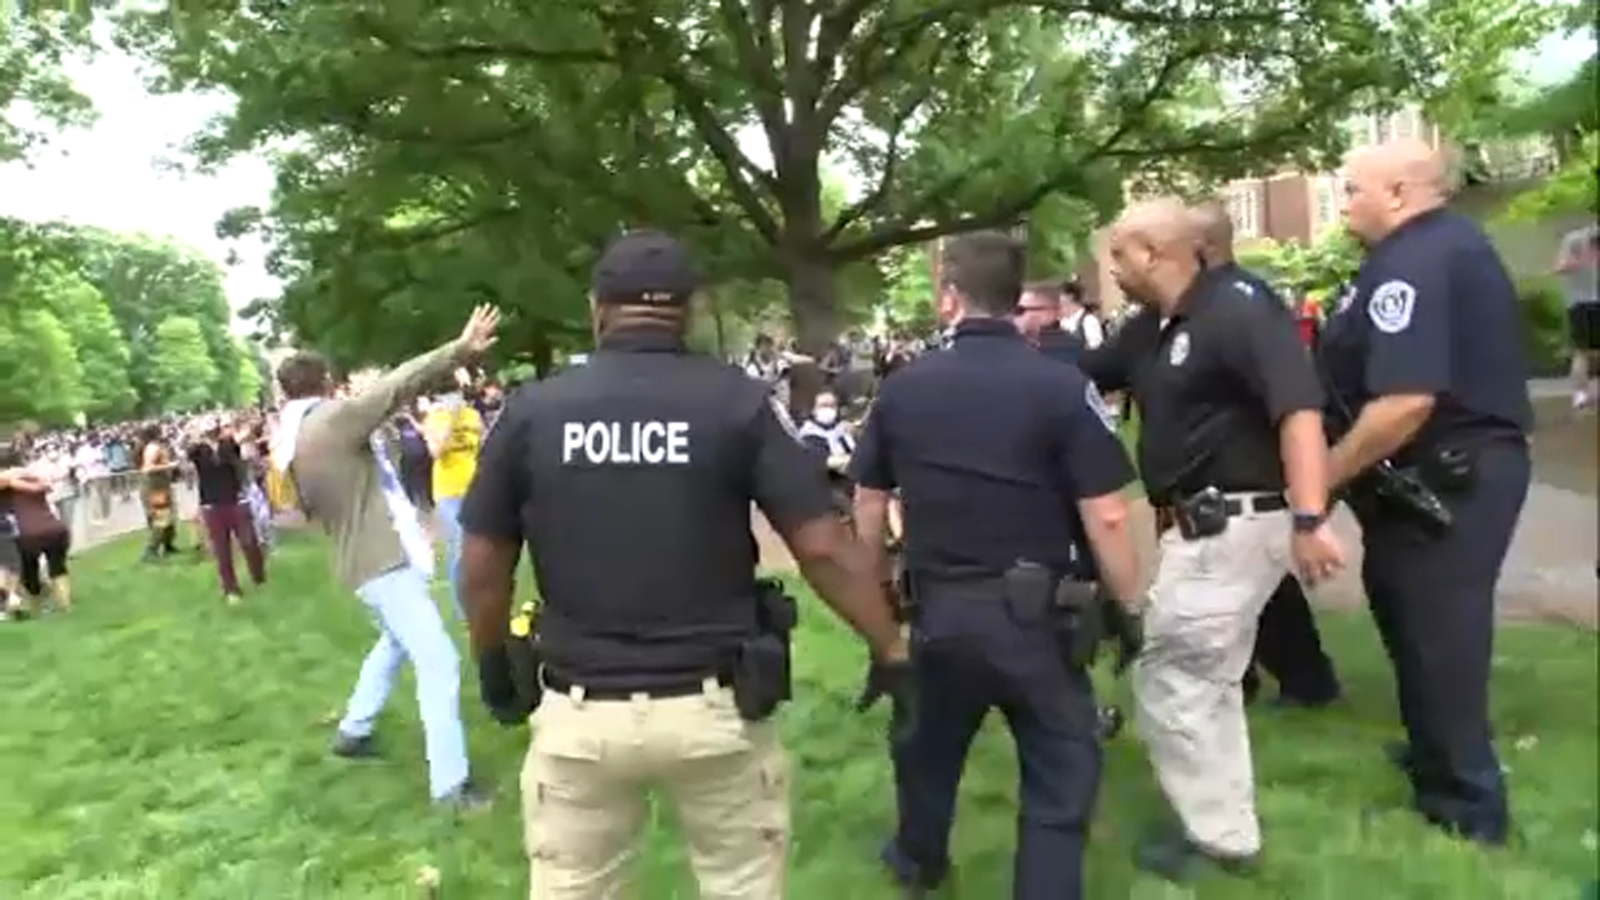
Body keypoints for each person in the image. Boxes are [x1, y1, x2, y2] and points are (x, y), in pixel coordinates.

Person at [456, 230, 911, 900]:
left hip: (582, 710)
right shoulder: (736, 403)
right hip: (715, 707)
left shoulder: (533, 412)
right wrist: (890, 644)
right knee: (740, 885)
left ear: (596, 309)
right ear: (691, 310)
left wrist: (494, 665)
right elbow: (821, 546)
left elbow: (482, 564)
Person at [850, 231, 1144, 900]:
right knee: (1060, 768)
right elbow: (1108, 513)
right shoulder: (1062, 386)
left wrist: (874, 603)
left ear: (950, 298)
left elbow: (868, 506)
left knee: (928, 750)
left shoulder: (903, 390)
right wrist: (1128, 605)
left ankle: (918, 859)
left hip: (939, 613)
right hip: (1040, 619)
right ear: (1016, 300)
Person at [1080, 198, 1344, 881]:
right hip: (1196, 531)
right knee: (1206, 676)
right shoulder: (1155, 327)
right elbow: (1081, 374)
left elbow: (1299, 412)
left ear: (1154, 253)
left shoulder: (1237, 309)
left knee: (1175, 677)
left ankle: (1221, 837)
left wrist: (1311, 518)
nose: (1112, 268)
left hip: (1231, 522)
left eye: (1118, 255)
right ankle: (1224, 820)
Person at [1321, 139, 1533, 845]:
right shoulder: (1407, 256)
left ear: (1401, 193)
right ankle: (1432, 760)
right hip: (1421, 477)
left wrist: (1323, 475)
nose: (1343, 201)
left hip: (1453, 470)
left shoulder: (1422, 261)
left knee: (1442, 635)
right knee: (1407, 615)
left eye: (1352, 189)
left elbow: (1405, 401)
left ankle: (1472, 807)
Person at [269, 305, 502, 811]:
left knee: (394, 643)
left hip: (357, 560)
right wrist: (459, 349)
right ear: (326, 383)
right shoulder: (330, 420)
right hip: (381, 561)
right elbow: (399, 383)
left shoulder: (291, 436)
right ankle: (451, 787)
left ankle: (354, 729)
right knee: (437, 659)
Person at [1190, 200, 1343, 709]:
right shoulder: (1214, 301)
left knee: (1262, 584)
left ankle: (1306, 680)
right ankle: (1260, 676)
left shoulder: (1240, 302)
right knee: (1248, 584)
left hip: (1245, 464)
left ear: (1203, 247)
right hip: (1224, 465)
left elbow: (1288, 395)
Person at [423, 371, 485, 620]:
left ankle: (478, 598)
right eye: (451, 394)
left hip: (475, 487)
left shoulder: (472, 415)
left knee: (478, 547)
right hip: (449, 491)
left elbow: (483, 445)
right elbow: (436, 451)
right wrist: (450, 420)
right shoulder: (435, 418)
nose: (456, 398)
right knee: (459, 547)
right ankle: (464, 610)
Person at [188, 420, 267, 604]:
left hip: (235, 500)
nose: (212, 433)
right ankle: (231, 588)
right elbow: (191, 454)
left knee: (249, 542)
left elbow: (230, 458)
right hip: (212, 504)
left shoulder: (227, 445)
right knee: (222, 549)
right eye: (208, 431)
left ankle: (259, 576)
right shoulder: (199, 451)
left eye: (214, 430)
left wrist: (228, 439)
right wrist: (195, 437)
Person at [1555, 224, 1599, 410]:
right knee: (1582, 352)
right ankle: (1581, 394)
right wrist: (1577, 262)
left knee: (1585, 352)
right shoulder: (1575, 240)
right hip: (1581, 302)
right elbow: (1560, 267)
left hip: (1588, 302)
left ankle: (1588, 393)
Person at [798, 388, 856, 516]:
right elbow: (824, 463)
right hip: (828, 484)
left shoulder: (843, 428)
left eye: (832, 405)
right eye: (823, 405)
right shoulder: (809, 435)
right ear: (813, 410)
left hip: (852, 477)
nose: (828, 409)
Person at [138, 426, 179, 562]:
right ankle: (151, 549)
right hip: (155, 488)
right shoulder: (152, 448)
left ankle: (168, 544)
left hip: (162, 486)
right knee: (162, 518)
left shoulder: (157, 446)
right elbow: (148, 468)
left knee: (170, 516)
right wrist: (170, 466)